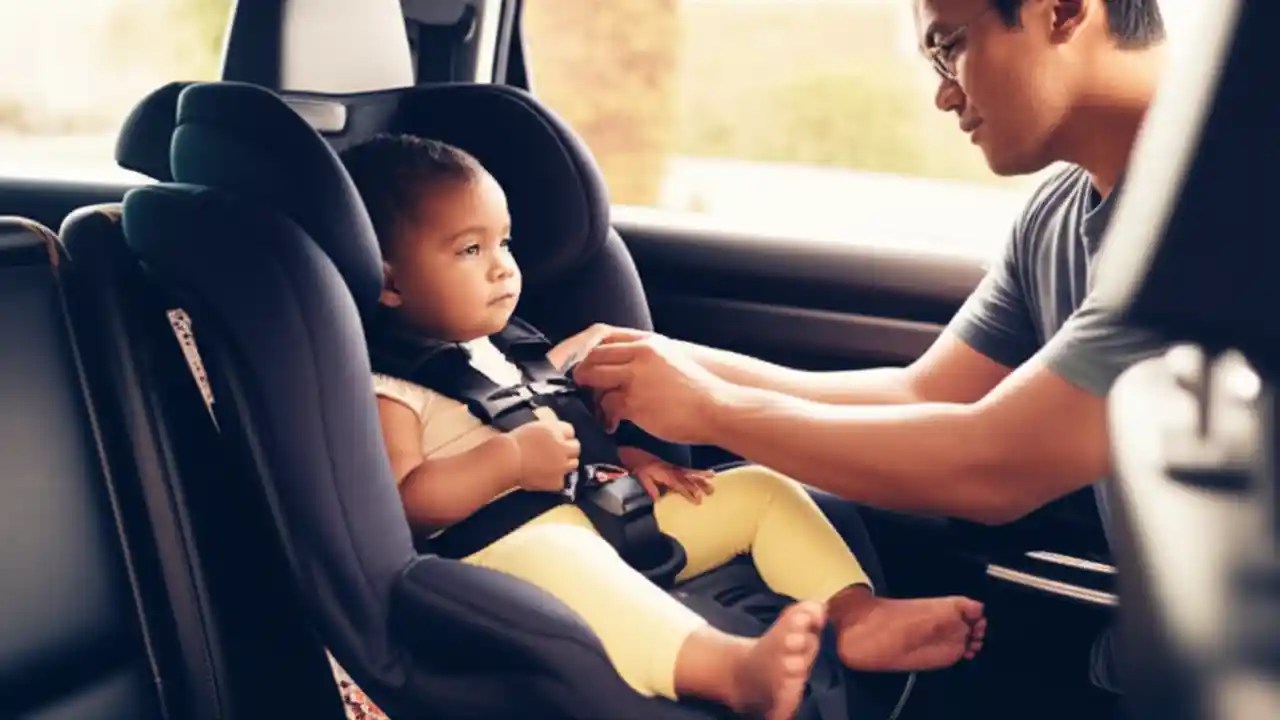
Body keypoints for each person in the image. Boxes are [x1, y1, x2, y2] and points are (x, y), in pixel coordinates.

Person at [572, 0, 1169, 694]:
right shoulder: (1059, 213)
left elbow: (993, 468)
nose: (944, 93)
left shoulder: (1222, 216)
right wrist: (671, 360)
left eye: (950, 47)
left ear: (1063, 10)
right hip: (1145, 666)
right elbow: (921, 396)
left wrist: (714, 412)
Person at [339, 134, 987, 719]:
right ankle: (729, 671)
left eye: (504, 243)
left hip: (598, 505)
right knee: (584, 575)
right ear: (390, 283)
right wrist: (506, 464)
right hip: (507, 548)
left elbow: (559, 423)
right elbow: (408, 502)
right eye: (470, 249)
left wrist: (626, 460)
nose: (503, 266)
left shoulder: (507, 347)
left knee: (761, 490)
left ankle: (855, 616)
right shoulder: (392, 385)